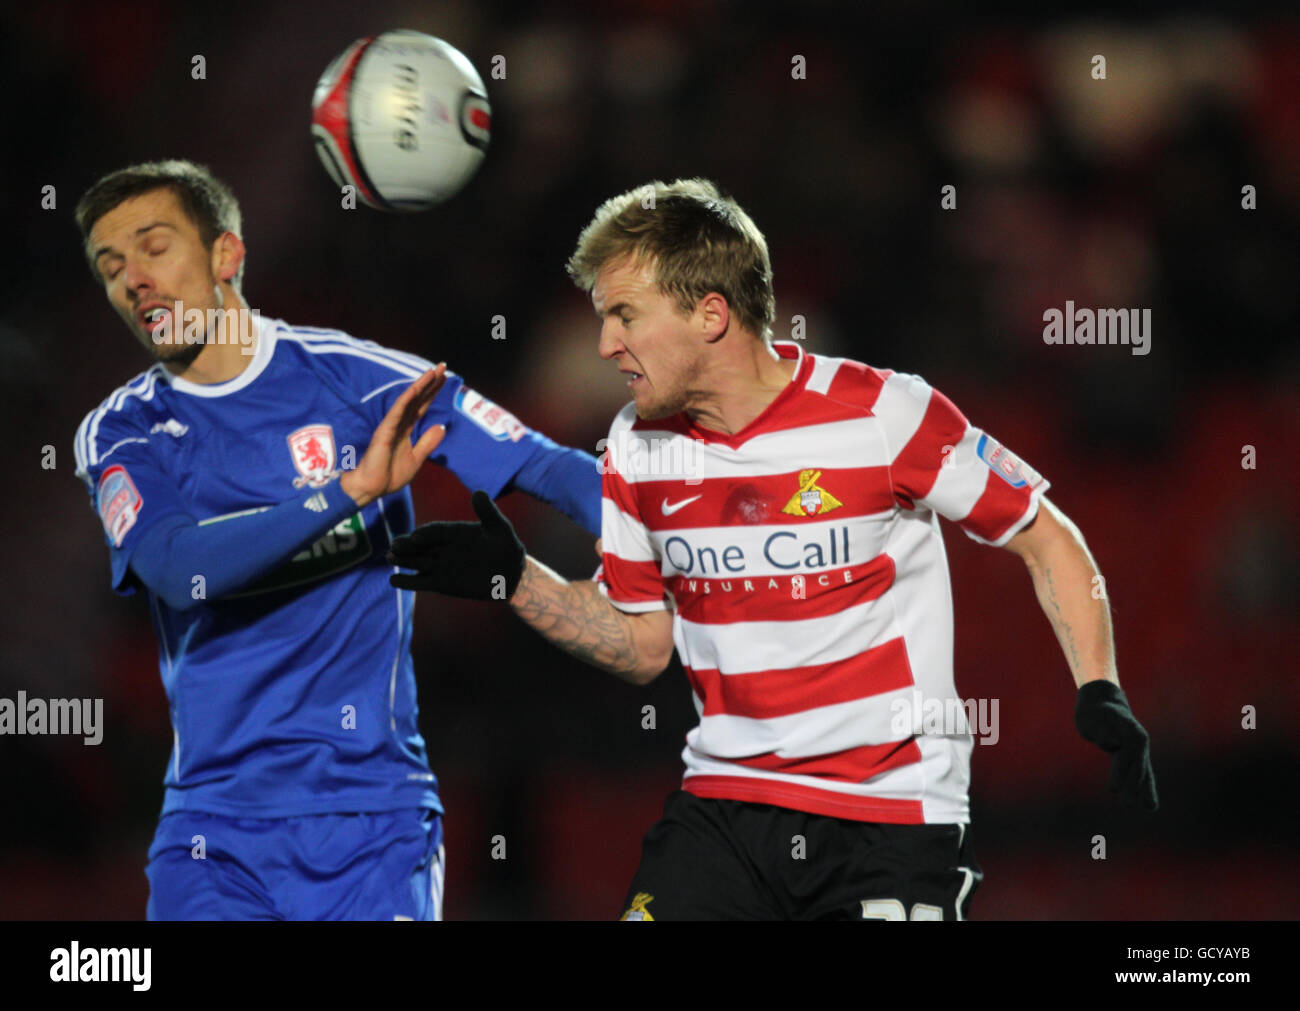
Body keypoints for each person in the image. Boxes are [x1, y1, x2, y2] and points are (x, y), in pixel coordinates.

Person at [388, 178, 1159, 921]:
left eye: (624, 315)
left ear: (711, 314)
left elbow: (1045, 535)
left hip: (889, 818)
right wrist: (517, 581)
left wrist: (1100, 687)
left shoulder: (885, 414)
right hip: (725, 811)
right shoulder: (637, 444)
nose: (603, 343)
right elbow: (643, 644)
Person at [71, 159, 601, 921]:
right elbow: (181, 569)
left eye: (153, 248)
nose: (133, 281)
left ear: (226, 254)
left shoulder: (360, 381)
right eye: (110, 266)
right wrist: (347, 492)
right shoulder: (121, 430)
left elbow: (545, 466)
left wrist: (684, 528)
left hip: (370, 826)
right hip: (212, 837)